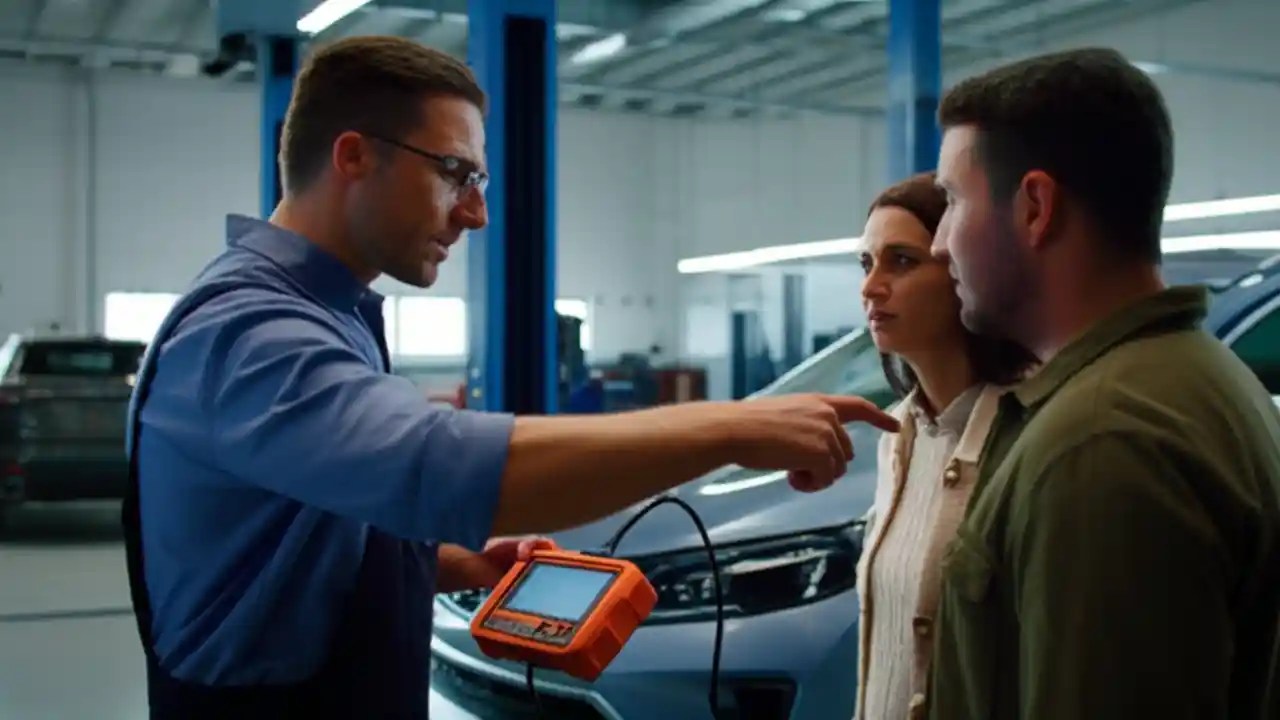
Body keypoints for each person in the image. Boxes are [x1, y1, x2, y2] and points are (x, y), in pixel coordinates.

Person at [122, 35, 899, 720]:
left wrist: (445, 563)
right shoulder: (249, 334)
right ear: (353, 156)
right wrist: (733, 427)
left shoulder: (332, 314)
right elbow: (433, 465)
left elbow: (307, 526)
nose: (476, 214)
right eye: (456, 174)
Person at [925, 47, 1280, 720]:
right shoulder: (1196, 379)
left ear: (1035, 206)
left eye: (952, 200)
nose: (941, 242)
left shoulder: (1100, 442)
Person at [851, 172, 1035, 720]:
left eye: (901, 262)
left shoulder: (1027, 434)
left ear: (965, 272)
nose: (871, 287)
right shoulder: (898, 437)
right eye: (866, 264)